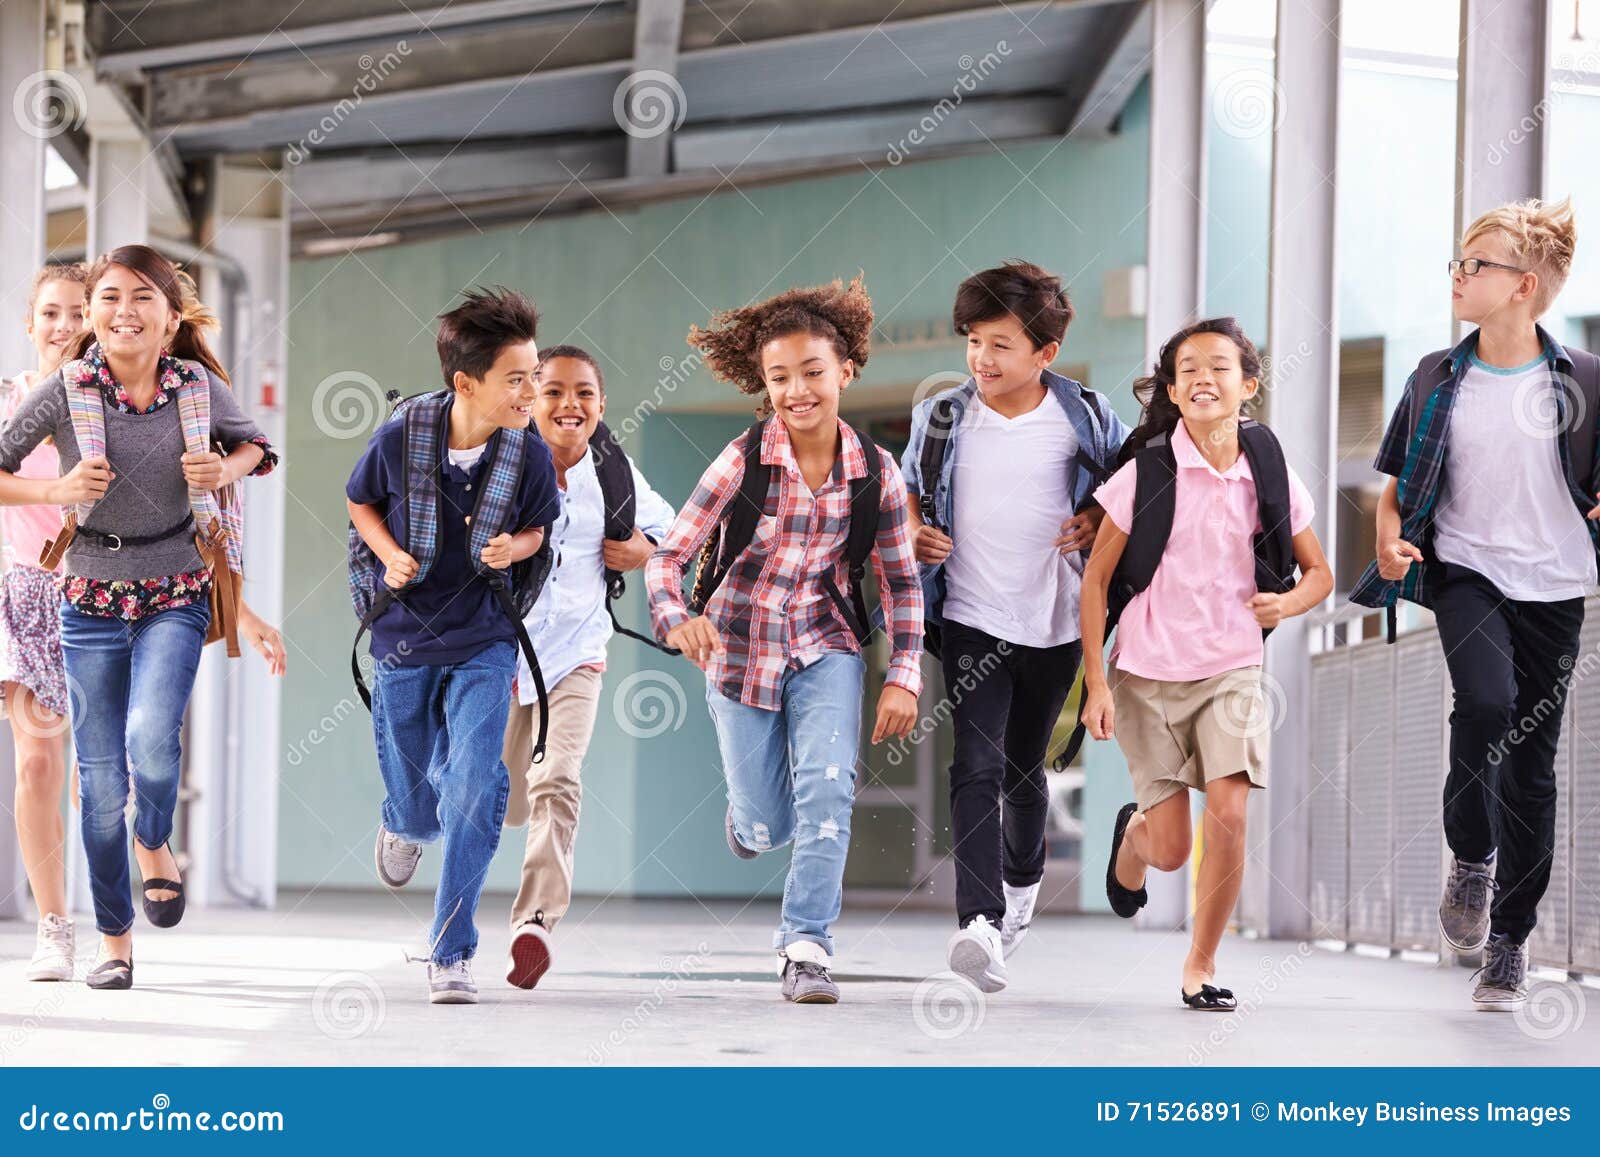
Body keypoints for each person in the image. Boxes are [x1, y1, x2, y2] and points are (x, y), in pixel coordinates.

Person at [0, 245, 277, 991]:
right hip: (87, 597)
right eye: (111, 298)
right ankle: (114, 942)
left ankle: (153, 838)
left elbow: (258, 447)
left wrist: (226, 466)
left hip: (174, 591)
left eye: (143, 297)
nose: (125, 311)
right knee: (97, 783)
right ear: (93, 318)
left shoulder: (195, 386)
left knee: (151, 740)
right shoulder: (65, 390)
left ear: (171, 318)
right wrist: (58, 490)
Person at [645, 276, 922, 1004]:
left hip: (827, 644)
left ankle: (806, 947)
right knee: (768, 824)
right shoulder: (743, 461)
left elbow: (900, 582)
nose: (797, 391)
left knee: (828, 791)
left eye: (812, 372)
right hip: (738, 650)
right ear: (764, 385)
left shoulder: (877, 472)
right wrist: (677, 618)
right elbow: (668, 557)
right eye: (779, 378)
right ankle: (749, 823)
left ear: (846, 371)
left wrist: (904, 672)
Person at [1350, 198, 1598, 1011]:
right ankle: (1471, 857)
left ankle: (1510, 941)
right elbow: (1395, 492)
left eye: (1475, 264)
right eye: (1458, 261)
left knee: (1531, 769)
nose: (1458, 275)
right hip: (1466, 573)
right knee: (1486, 703)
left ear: (1523, 285)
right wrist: (1389, 541)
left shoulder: (1586, 380)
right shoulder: (1435, 376)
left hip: (1555, 585)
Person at [1080, 317, 1332, 1010]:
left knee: (1229, 813)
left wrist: (1286, 604)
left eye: (1219, 366)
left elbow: (1319, 573)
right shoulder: (1145, 473)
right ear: (1171, 390)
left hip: (1232, 668)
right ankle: (1134, 837)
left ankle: (1201, 962)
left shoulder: (1269, 472)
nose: (1202, 378)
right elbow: (1096, 581)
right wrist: (1096, 683)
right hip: (1146, 673)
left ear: (1248, 384)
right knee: (1170, 851)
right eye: (1187, 368)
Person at [900, 260, 1129, 992]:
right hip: (970, 614)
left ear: (1044, 352)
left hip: (1056, 618)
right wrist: (916, 531)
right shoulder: (942, 415)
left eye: (1000, 344)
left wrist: (1095, 516)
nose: (982, 358)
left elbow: (1130, 487)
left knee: (1025, 771)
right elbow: (907, 491)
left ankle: (1022, 884)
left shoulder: (1085, 415)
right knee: (975, 762)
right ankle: (978, 921)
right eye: (974, 341)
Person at [347, 288, 558, 1005]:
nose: (532, 391)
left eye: (534, 374)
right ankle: (402, 822)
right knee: (415, 800)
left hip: (484, 633)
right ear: (466, 383)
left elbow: (540, 530)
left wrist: (513, 546)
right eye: (517, 378)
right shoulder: (400, 437)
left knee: (473, 783)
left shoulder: (528, 452)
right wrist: (388, 555)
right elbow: (360, 501)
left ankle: (452, 949)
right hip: (404, 632)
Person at [500, 344, 676, 990]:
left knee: (557, 779)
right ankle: (409, 814)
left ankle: (535, 922)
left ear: (602, 405)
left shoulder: (616, 472)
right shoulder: (505, 461)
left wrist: (641, 549)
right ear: (531, 398)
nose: (568, 404)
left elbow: (676, 534)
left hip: (576, 654)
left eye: (583, 393)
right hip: (500, 651)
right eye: (553, 391)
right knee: (494, 796)